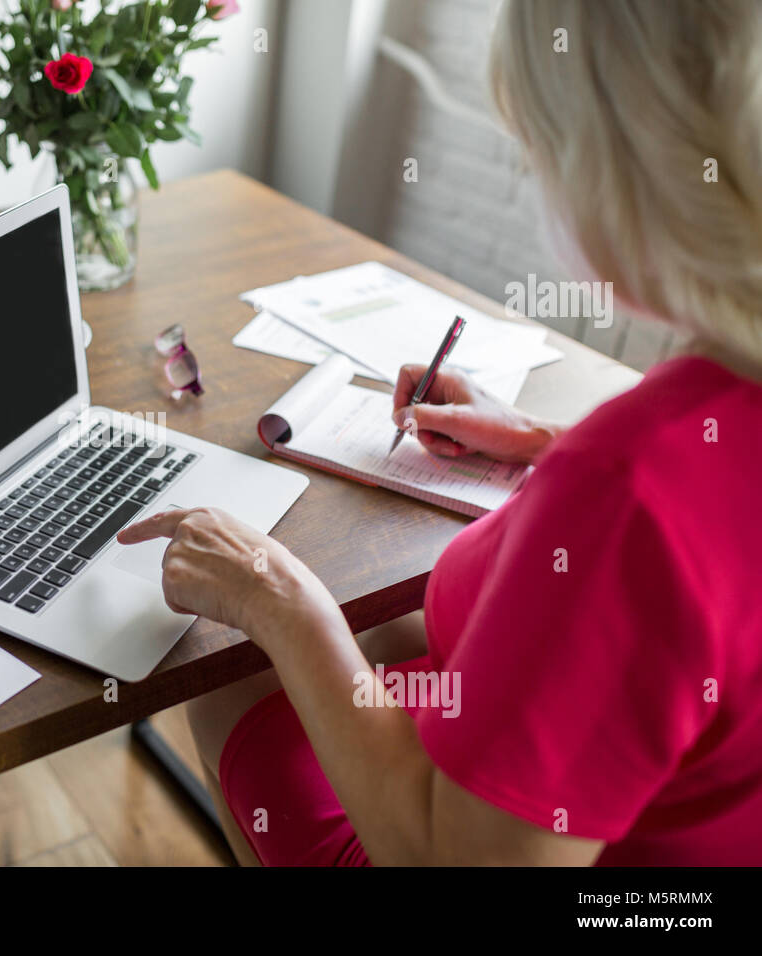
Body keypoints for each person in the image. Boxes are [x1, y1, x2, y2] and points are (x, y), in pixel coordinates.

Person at [117, 0, 762, 865]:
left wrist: (277, 598)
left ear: (625, 172)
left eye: (539, 151)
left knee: (235, 678)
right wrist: (541, 439)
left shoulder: (624, 498)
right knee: (396, 624)